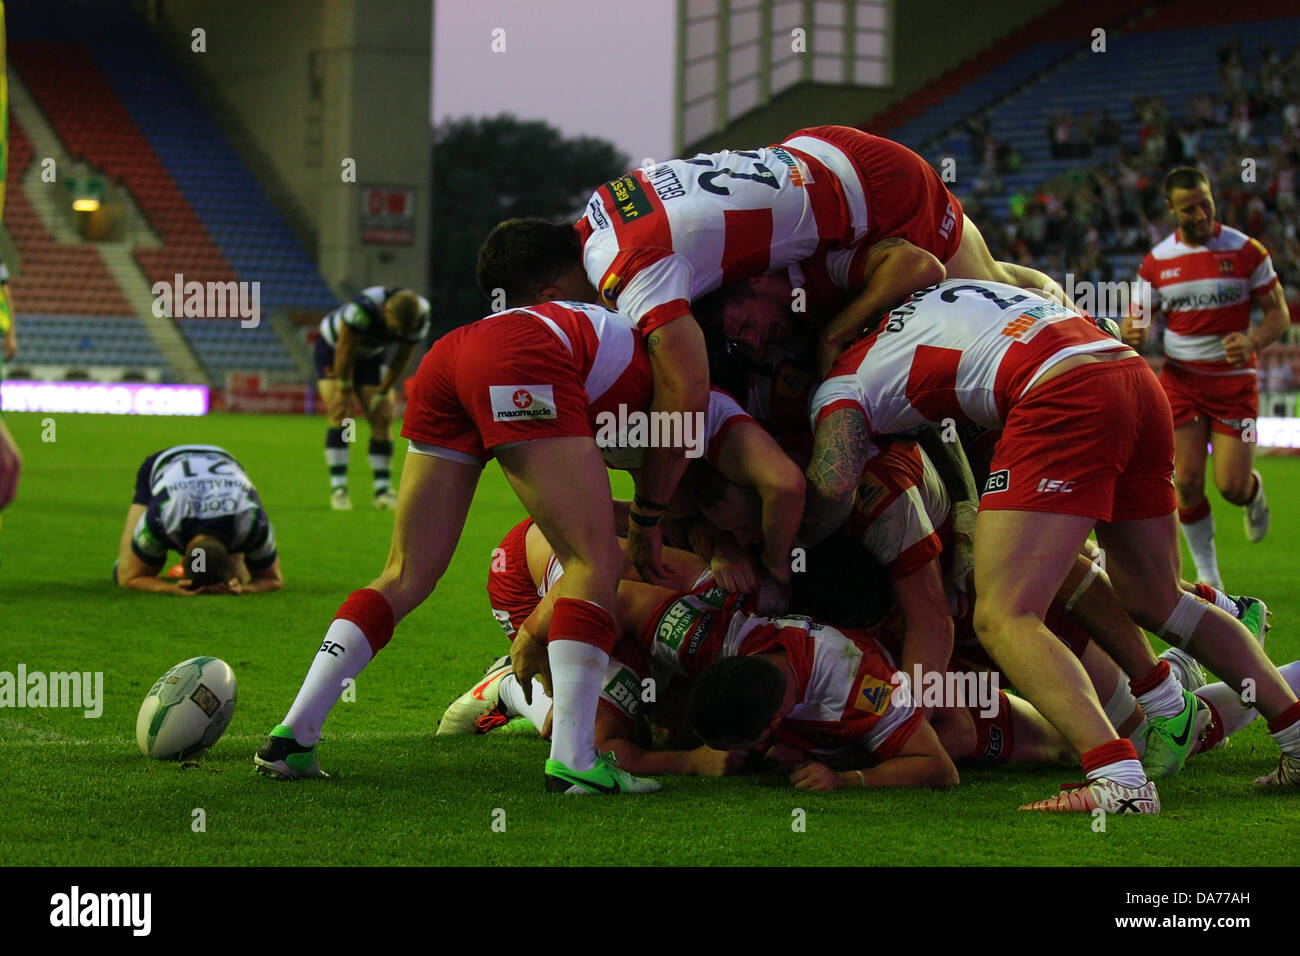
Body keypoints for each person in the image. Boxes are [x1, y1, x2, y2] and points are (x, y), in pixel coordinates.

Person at [477, 126, 1064, 583]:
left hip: (873, 197)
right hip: (821, 158)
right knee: (947, 306)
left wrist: (648, 516)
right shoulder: (605, 207)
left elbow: (685, 394)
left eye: (538, 316)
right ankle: (1024, 288)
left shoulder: (629, 269)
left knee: (978, 344)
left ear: (547, 296)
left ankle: (1057, 322)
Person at [804, 271, 1300, 810]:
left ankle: (1120, 782)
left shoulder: (844, 380)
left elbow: (832, 488)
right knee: (1157, 598)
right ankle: (1289, 733)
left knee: (1003, 616)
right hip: (1128, 373)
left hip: (1061, 396)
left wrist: (785, 548)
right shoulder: (945, 292)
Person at [255, 299, 663, 795]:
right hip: (519, 355)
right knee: (592, 560)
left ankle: (292, 737)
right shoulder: (689, 381)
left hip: (451, 353)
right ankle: (576, 761)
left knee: (404, 572)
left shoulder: (636, 339)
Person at [1122, 167, 1290, 590]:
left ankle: (1253, 494)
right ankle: (1209, 575)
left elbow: (1278, 314)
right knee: (1188, 481)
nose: (1199, 214)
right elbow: (1135, 321)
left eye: (1205, 204)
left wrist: (1252, 340)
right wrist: (1134, 331)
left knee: (1230, 486)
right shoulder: (1158, 261)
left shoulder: (1247, 251)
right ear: (1170, 209)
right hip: (1181, 382)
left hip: (1234, 382)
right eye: (1188, 208)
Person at [315, 287, 430, 511]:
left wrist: (382, 391)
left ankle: (383, 491)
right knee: (341, 413)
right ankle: (339, 490)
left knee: (383, 416)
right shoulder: (363, 308)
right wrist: (345, 388)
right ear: (385, 311)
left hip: (371, 356)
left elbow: (402, 357)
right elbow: (345, 349)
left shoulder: (419, 315)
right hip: (333, 349)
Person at [114, 445, 282, 595]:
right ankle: (200, 567)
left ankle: (202, 568)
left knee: (237, 578)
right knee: (123, 573)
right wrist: (169, 589)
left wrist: (242, 588)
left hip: (225, 464)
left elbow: (273, 580)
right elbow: (132, 577)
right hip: (166, 463)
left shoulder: (252, 521)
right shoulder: (162, 516)